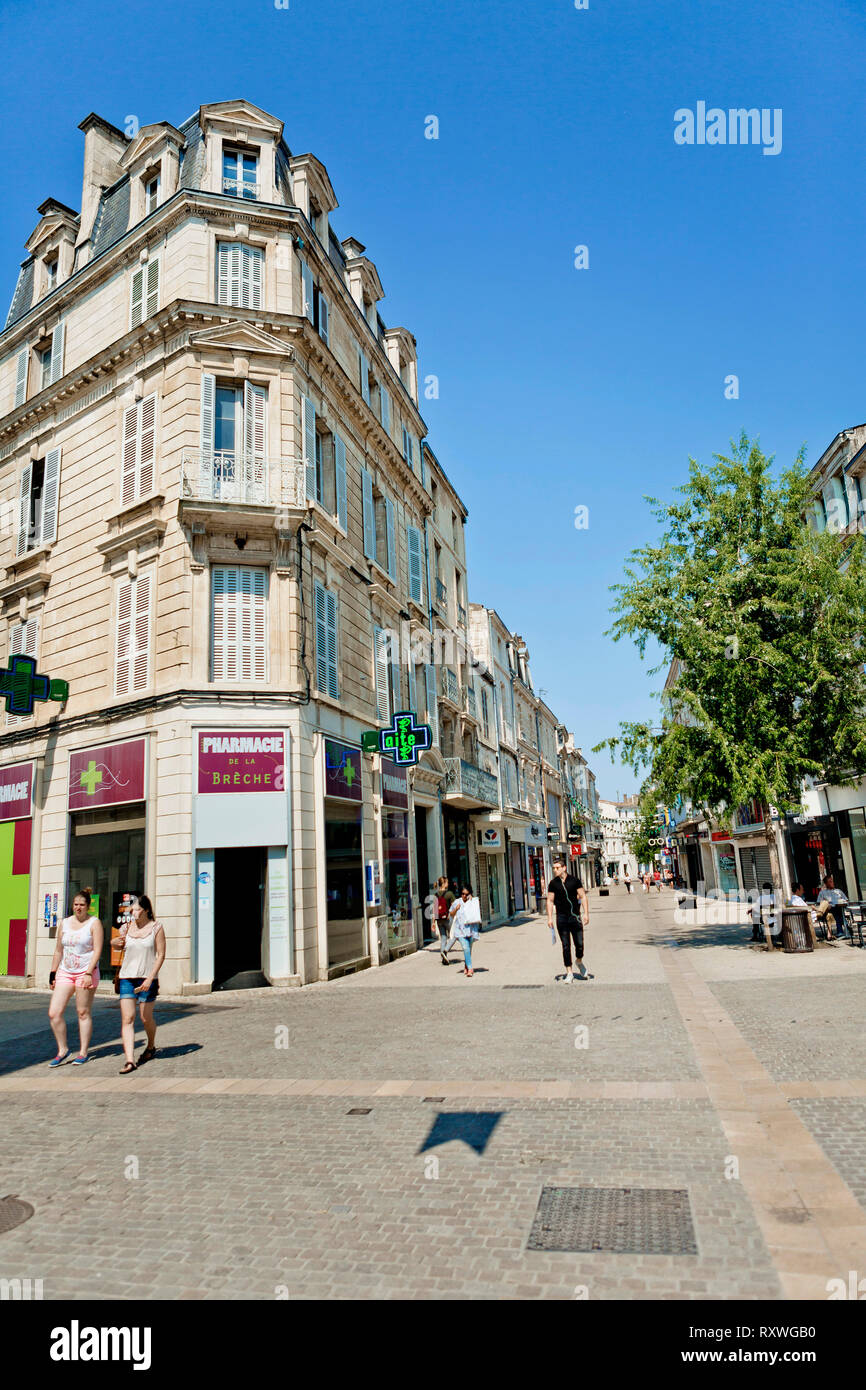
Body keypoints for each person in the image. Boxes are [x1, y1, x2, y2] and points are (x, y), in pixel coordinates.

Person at [47, 888, 105, 1066]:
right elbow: (58, 950)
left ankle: (83, 1052)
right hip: (66, 971)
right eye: (75, 904)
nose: (78, 908)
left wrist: (89, 972)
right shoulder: (64, 923)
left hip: (85, 972)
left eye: (82, 905)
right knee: (54, 1012)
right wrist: (53, 973)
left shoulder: (94, 923)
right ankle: (63, 1049)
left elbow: (97, 950)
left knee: (82, 1012)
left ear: (88, 906)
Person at [112, 895, 166, 1073]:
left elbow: (161, 955)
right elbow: (119, 946)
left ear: (146, 910)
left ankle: (151, 1046)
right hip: (127, 977)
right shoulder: (126, 927)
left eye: (136, 909)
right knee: (127, 1019)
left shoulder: (156, 927)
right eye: (132, 910)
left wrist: (151, 977)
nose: (133, 913)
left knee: (145, 1018)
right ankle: (129, 1060)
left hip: (147, 977)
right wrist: (114, 943)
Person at [547, 857, 591, 983]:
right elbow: (550, 901)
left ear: (564, 868)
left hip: (575, 917)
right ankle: (569, 972)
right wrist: (549, 918)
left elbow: (583, 896)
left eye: (557, 868)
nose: (555, 870)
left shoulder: (574, 881)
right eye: (554, 868)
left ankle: (579, 961)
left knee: (579, 944)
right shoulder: (553, 883)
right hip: (561, 917)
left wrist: (586, 913)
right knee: (566, 945)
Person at [449, 885, 482, 977]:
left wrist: (471, 900)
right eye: (462, 894)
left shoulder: (472, 901)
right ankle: (470, 969)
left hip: (471, 930)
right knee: (465, 948)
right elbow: (451, 914)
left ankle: (467, 966)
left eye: (466, 894)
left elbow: (476, 911)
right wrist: (456, 909)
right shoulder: (457, 902)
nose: (464, 896)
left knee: (469, 949)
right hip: (460, 931)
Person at [816, 875, 848, 941]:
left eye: (832, 881)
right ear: (826, 884)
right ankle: (843, 929)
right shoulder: (822, 893)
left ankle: (842, 930)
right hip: (828, 910)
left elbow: (846, 900)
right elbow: (819, 903)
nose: (832, 883)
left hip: (839, 907)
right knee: (836, 912)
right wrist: (827, 904)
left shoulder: (838, 891)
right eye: (830, 882)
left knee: (838, 910)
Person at [436, 876, 455, 963]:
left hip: (439, 919)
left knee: (443, 937)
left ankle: (444, 958)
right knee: (454, 935)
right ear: (443, 883)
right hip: (447, 918)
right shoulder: (449, 894)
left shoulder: (435, 895)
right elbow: (454, 905)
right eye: (447, 882)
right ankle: (445, 951)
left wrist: (433, 922)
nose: (448, 884)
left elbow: (434, 909)